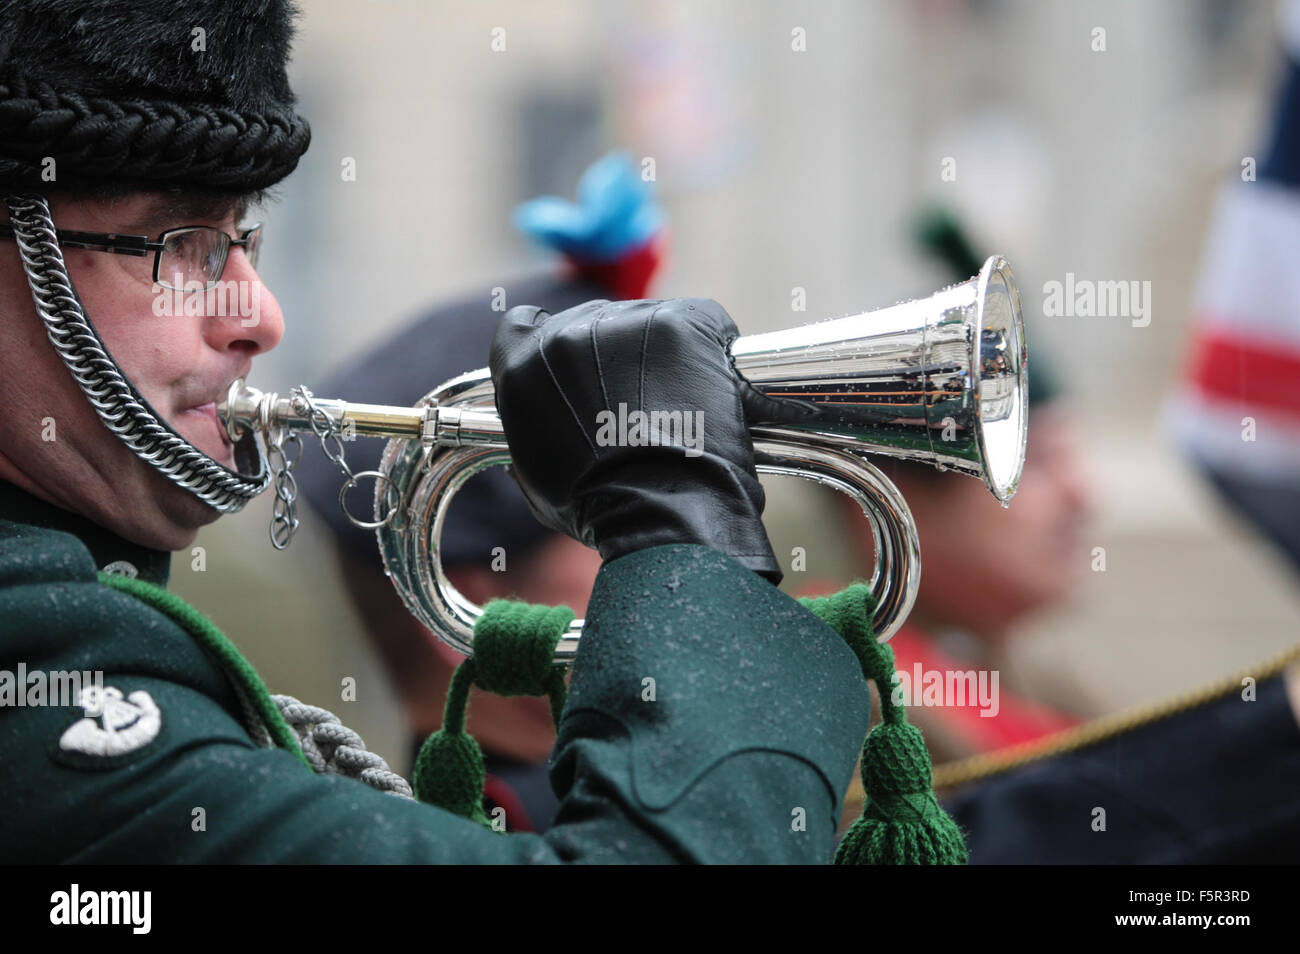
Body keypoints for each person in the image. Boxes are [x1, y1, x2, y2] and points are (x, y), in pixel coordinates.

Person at [0, 0, 872, 863]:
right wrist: (691, 534)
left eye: (242, 239)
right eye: (174, 242)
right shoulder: (49, 682)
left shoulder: (97, 634)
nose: (261, 316)